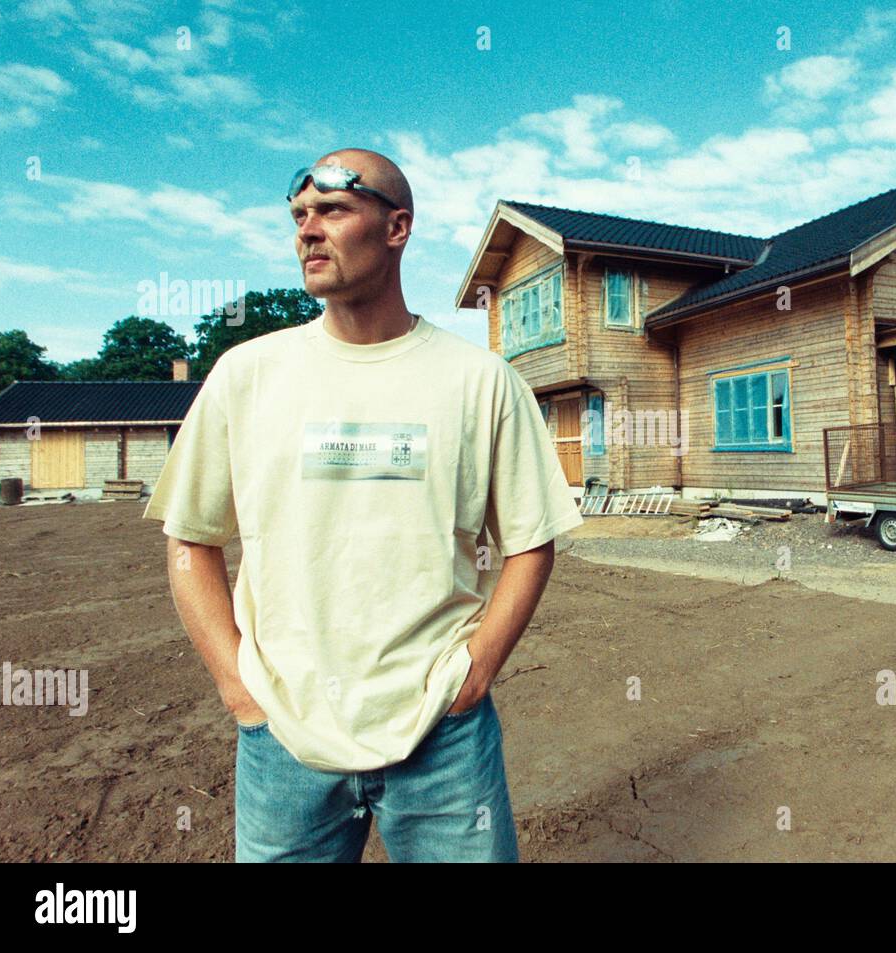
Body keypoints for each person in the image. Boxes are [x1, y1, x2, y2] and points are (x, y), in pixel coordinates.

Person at [143, 148, 583, 862]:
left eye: (333, 211)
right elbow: (189, 538)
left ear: (397, 227)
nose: (307, 231)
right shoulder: (246, 377)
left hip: (442, 736)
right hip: (284, 735)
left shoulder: (482, 381)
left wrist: (476, 671)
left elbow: (532, 540)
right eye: (299, 217)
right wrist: (238, 686)